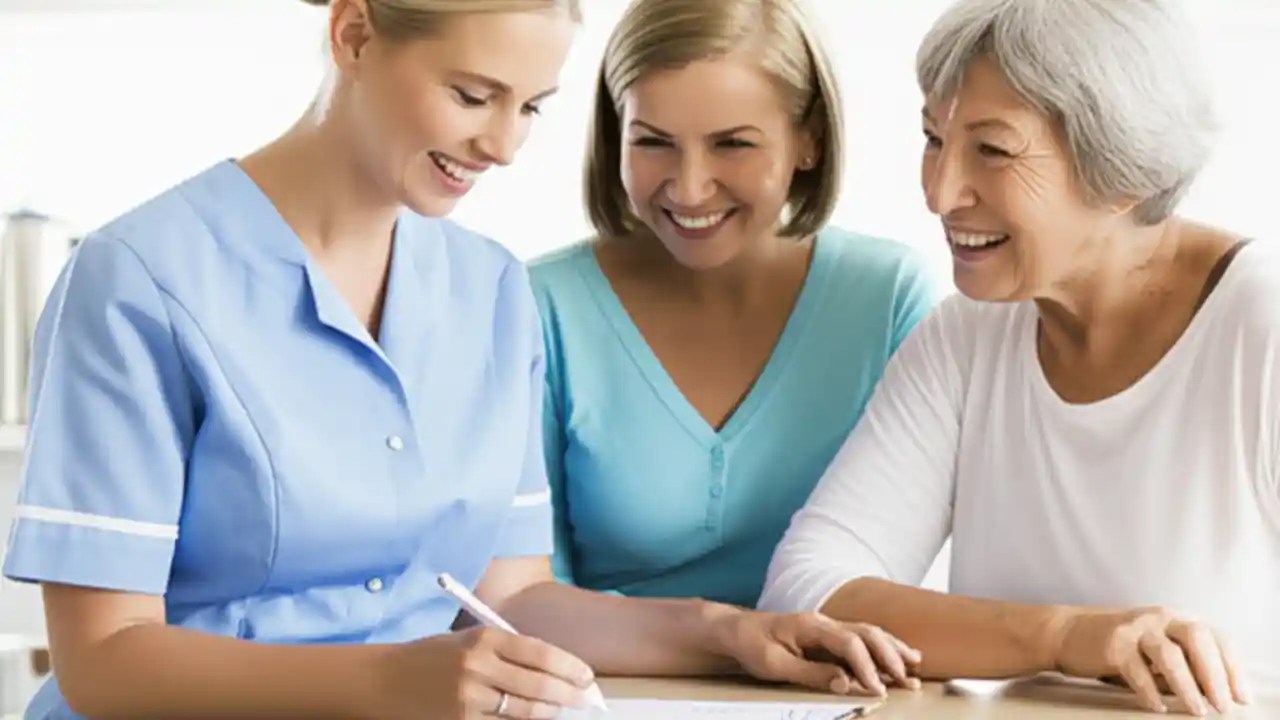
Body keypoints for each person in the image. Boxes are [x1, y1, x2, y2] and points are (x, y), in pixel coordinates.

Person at [0, 1, 922, 718]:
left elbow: (511, 597)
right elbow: (104, 660)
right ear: (354, 33)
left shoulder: (488, 291)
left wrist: (731, 635)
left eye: (530, 108)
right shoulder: (139, 280)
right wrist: (393, 687)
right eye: (473, 96)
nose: (504, 144)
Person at [759, 0, 1277, 715]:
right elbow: (806, 591)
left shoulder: (1262, 328)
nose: (940, 192)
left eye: (992, 151)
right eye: (933, 139)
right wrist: (1064, 635)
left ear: (1122, 169)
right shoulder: (969, 333)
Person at [530, 0, 938, 635]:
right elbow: (516, 603)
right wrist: (728, 643)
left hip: (840, 691)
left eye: (733, 145)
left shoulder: (888, 297)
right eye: (653, 143)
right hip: (606, 694)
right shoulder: (541, 306)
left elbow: (893, 571)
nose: (690, 187)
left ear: (810, 140)